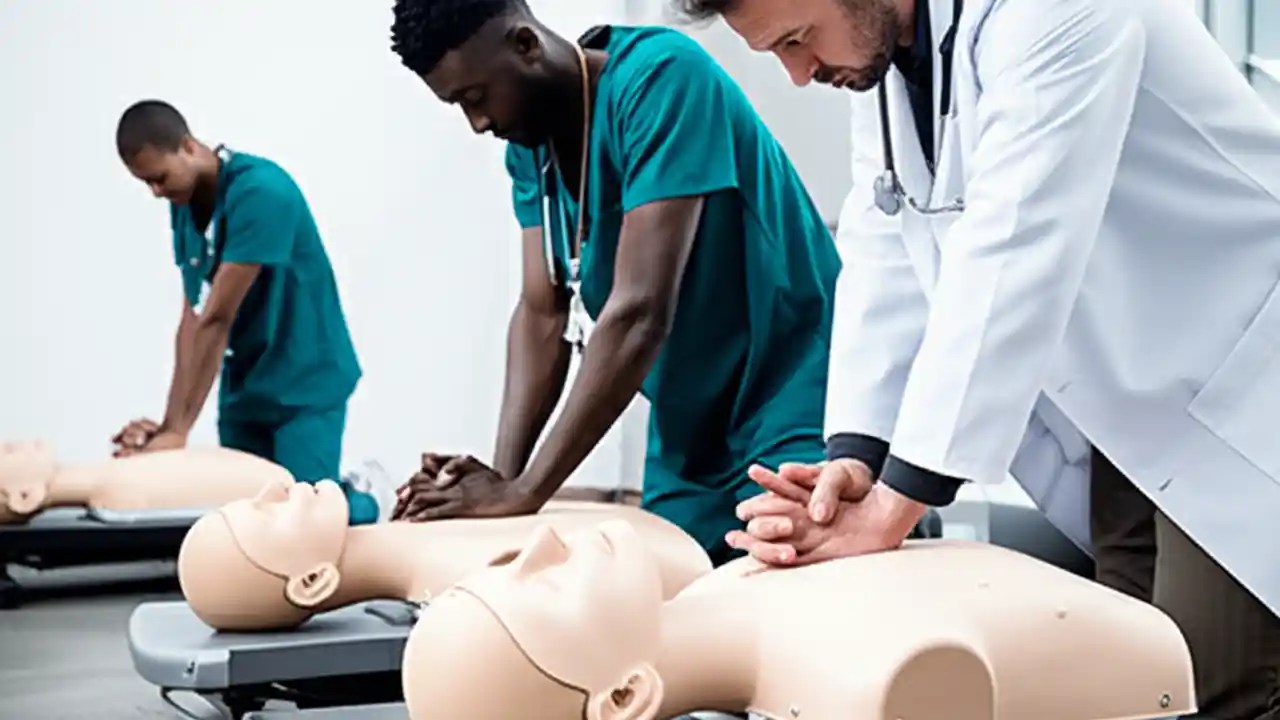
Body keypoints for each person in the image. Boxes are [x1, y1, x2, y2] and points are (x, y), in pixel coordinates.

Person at [675, 0, 1280, 717]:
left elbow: (1012, 245)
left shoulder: (1056, 11)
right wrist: (858, 456)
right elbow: (887, 241)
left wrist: (899, 500)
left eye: (798, 40)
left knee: (1214, 679)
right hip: (1139, 404)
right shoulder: (891, 59)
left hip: (1246, 379)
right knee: (1127, 674)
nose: (799, 75)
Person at [386, 0, 844, 565]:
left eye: (476, 97)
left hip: (798, 391)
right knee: (670, 586)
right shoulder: (530, 153)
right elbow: (542, 312)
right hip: (691, 430)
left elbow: (639, 312)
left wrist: (526, 490)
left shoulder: (662, 79)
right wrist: (502, 481)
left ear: (525, 45)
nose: (477, 123)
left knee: (789, 569)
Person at [400, 519, 1196, 719]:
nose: (544, 543)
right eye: (542, 589)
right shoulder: (868, 679)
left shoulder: (722, 583)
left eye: (511, 560)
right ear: (626, 697)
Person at [113, 100, 377, 525]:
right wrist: (167, 427)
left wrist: (178, 432)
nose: (156, 192)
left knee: (304, 518)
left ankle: (364, 498)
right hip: (246, 384)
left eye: (159, 178)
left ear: (188, 146)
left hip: (305, 379)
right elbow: (193, 319)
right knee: (249, 519)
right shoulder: (183, 205)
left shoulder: (262, 192)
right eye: (146, 184)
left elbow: (217, 318)